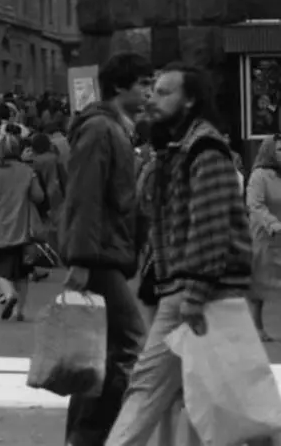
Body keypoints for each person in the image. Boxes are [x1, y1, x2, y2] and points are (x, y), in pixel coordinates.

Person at [104, 65, 253, 446]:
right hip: (191, 289)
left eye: (165, 92)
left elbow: (211, 223)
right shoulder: (175, 149)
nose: (152, 99)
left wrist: (194, 293)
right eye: (153, 90)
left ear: (190, 100)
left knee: (152, 385)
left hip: (199, 292)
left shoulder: (205, 148)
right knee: (209, 396)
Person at [60, 51, 154, 446]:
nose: (150, 92)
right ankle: (95, 434)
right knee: (129, 343)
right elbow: (85, 195)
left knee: (101, 350)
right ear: (120, 86)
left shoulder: (116, 128)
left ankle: (87, 434)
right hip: (99, 254)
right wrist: (80, 260)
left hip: (107, 251)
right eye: (144, 84)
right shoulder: (101, 129)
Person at [0, 132, 44, 322]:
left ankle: (8, 294)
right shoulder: (27, 172)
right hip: (23, 225)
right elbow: (38, 197)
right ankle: (20, 310)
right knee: (23, 271)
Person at [246, 134, 281, 341]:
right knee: (260, 283)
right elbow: (255, 204)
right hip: (264, 235)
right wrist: (273, 224)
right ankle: (257, 326)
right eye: (279, 150)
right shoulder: (259, 175)